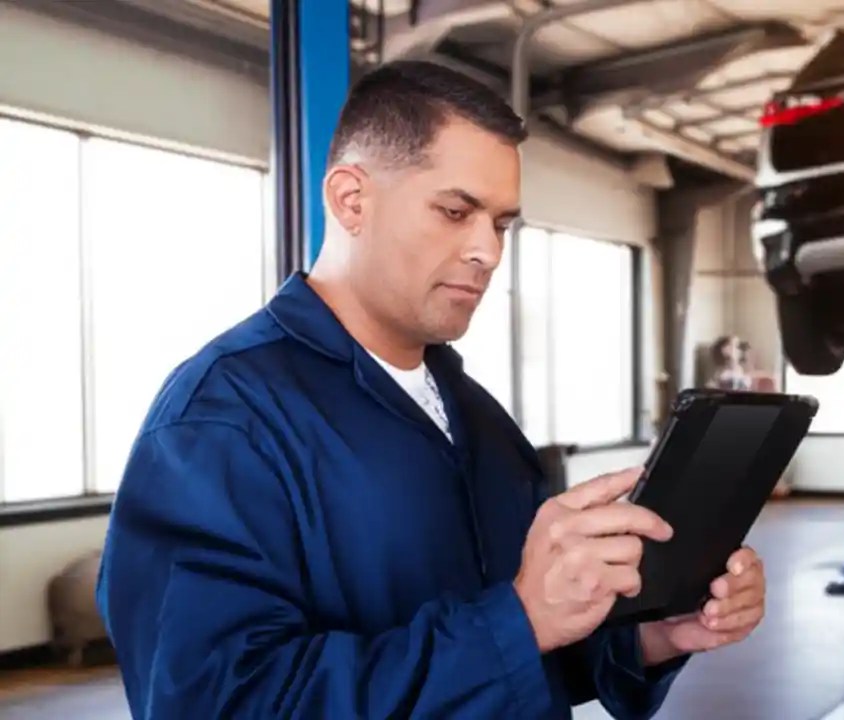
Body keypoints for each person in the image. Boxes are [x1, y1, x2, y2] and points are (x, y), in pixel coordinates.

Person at [96, 61, 767, 719]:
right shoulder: (220, 422)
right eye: (455, 211)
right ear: (351, 200)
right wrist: (517, 620)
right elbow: (220, 703)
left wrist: (654, 636)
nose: (488, 251)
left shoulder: (473, 414)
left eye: (501, 224)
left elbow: (536, 657)